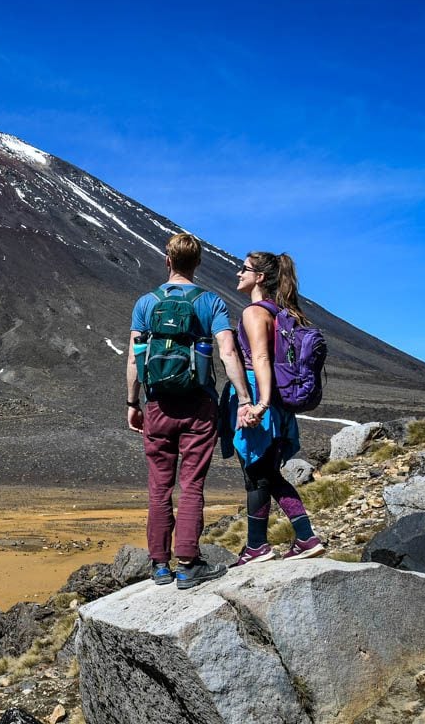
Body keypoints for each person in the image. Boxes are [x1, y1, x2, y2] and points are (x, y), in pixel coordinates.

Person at [127, 233, 253, 589]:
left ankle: (159, 565)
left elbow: (134, 358)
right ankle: (187, 564)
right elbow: (227, 352)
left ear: (168, 260)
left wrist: (132, 403)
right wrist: (244, 399)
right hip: (199, 406)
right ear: (197, 263)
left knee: (159, 487)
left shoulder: (146, 304)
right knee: (192, 484)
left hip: (158, 406)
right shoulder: (210, 302)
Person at [222, 251, 325, 565]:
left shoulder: (254, 313)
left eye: (244, 268)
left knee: (257, 473)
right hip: (279, 400)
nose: (238, 273)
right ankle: (294, 539)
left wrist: (260, 404)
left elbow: (261, 358)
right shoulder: (281, 312)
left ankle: (267, 544)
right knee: (265, 472)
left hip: (259, 394)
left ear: (260, 277)